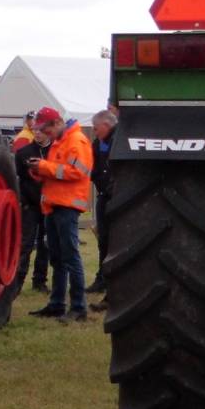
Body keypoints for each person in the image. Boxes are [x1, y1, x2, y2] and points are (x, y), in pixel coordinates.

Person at [26, 106, 93, 322]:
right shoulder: (60, 141)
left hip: (67, 206)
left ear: (56, 123)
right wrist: (40, 170)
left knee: (70, 257)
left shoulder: (77, 141)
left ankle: (78, 307)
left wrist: (44, 166)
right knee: (57, 258)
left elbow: (78, 172)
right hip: (54, 205)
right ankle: (57, 304)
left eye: (45, 130)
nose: (43, 135)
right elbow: (58, 170)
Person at [13, 112, 51, 293]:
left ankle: (40, 280)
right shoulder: (23, 153)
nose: (37, 133)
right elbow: (18, 178)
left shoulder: (56, 152)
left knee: (45, 244)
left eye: (41, 130)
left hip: (50, 205)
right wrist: (24, 201)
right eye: (35, 130)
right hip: (30, 205)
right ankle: (17, 280)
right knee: (25, 244)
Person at [88, 109, 117, 297]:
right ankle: (102, 279)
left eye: (96, 128)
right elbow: (94, 167)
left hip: (118, 197)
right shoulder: (98, 143)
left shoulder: (121, 141)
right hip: (103, 196)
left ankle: (114, 282)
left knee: (115, 240)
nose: (94, 131)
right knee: (103, 240)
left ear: (106, 125)